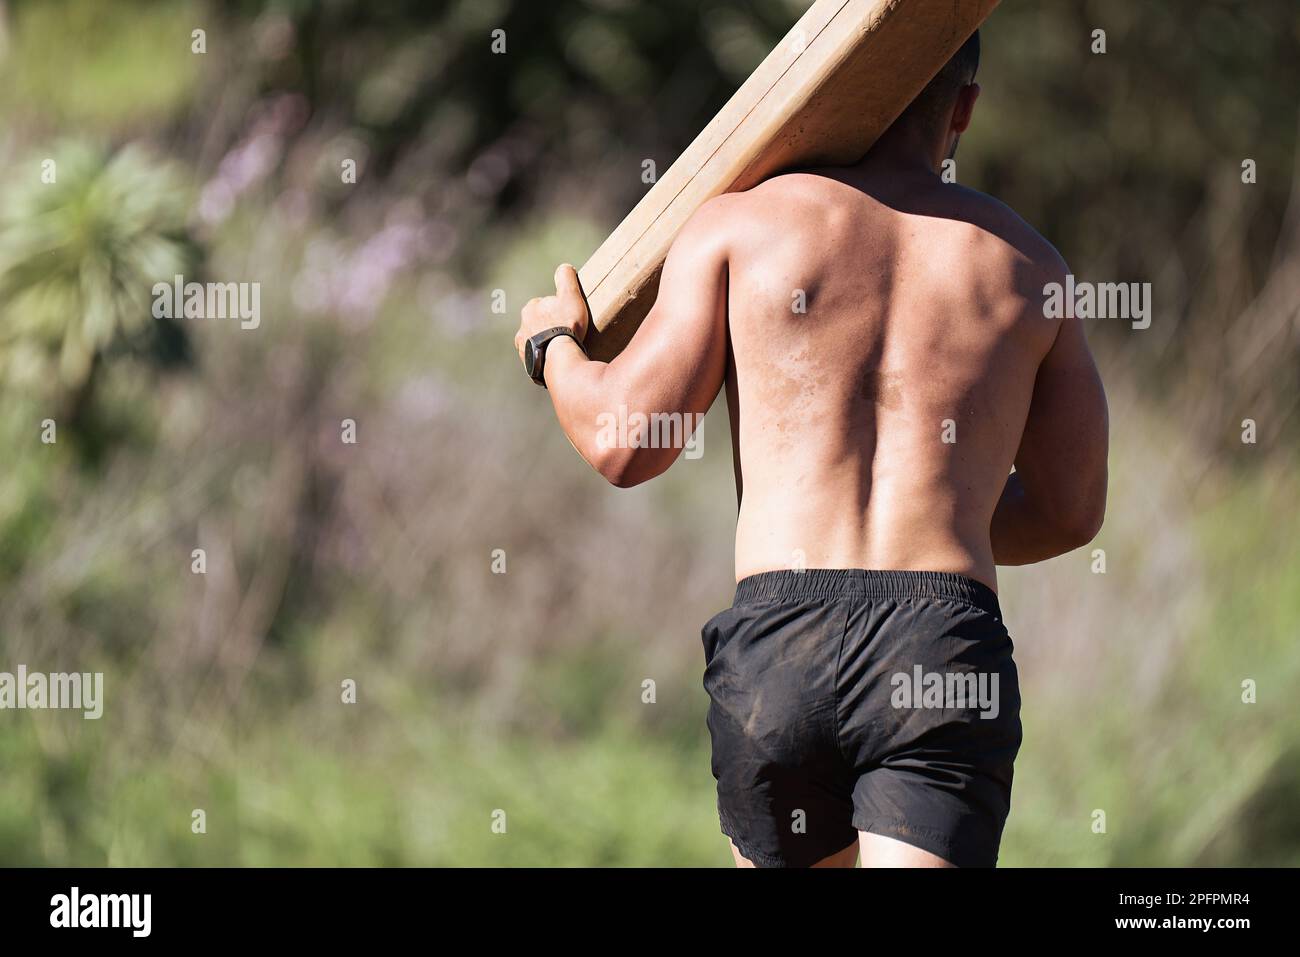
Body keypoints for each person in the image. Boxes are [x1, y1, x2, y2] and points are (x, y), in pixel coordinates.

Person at [513, 30, 1109, 867]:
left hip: (778, 644)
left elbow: (624, 442)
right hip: (938, 648)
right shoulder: (1028, 267)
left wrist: (554, 348)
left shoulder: (735, 228)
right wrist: (947, 514)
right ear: (965, 107)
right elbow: (1071, 509)